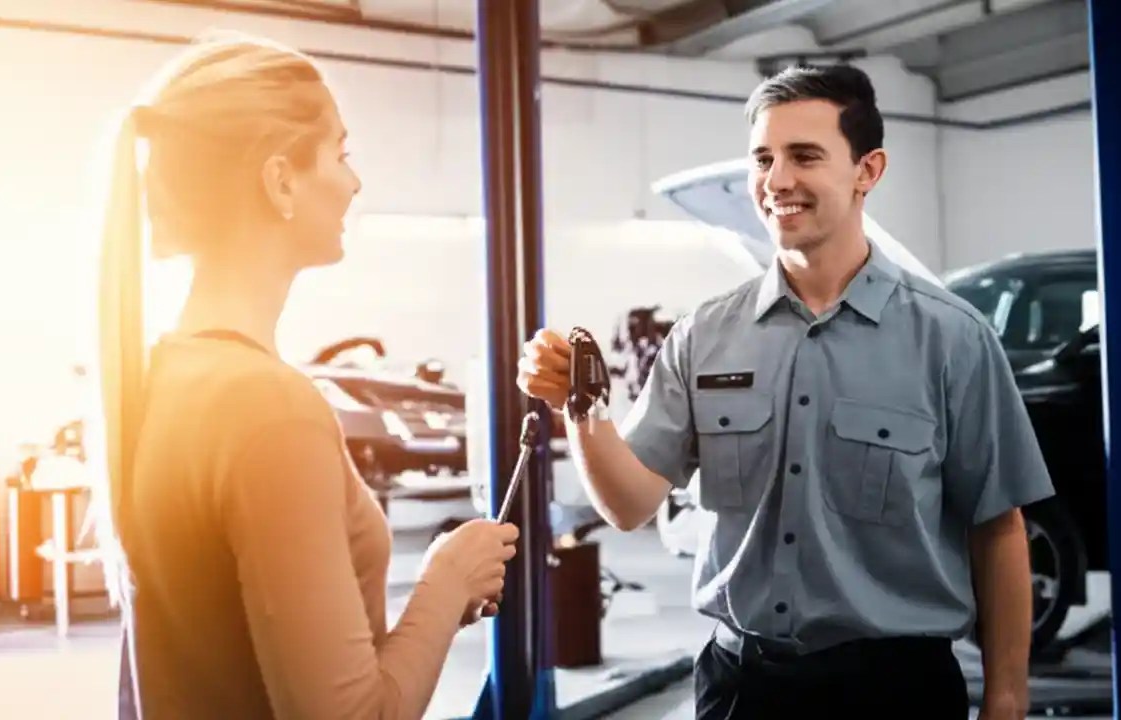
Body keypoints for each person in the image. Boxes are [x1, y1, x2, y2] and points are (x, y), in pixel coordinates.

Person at [517, 64, 1053, 719]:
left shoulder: (953, 340)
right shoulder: (703, 336)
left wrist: (1007, 698)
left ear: (868, 171)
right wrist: (581, 408)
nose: (777, 181)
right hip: (744, 688)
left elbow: (998, 529)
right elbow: (629, 504)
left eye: (804, 156)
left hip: (894, 692)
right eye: (763, 158)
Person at [91, 32, 519, 720]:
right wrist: (445, 580)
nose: (354, 181)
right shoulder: (268, 409)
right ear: (281, 179)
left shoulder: (165, 376)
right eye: (341, 154)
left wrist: (431, 616)